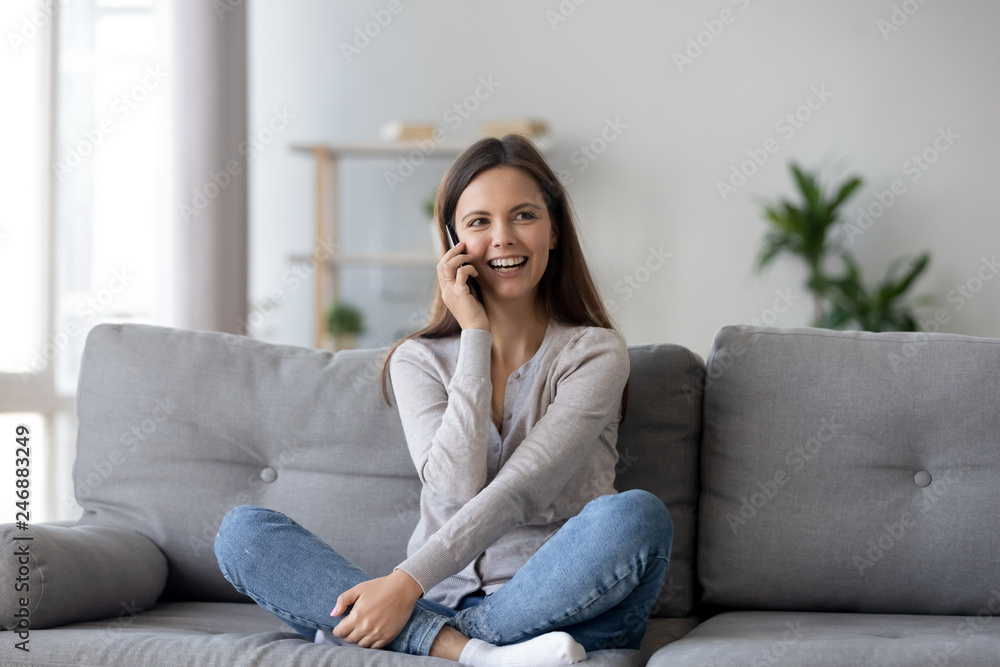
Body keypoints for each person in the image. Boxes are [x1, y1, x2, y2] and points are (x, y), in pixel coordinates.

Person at [213, 133, 673, 665]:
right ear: (453, 242)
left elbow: (523, 490)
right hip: (445, 597)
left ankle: (424, 640)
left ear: (553, 231)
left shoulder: (594, 352)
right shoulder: (418, 360)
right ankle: (477, 653)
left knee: (635, 516)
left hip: (558, 608)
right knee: (243, 534)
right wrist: (475, 336)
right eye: (479, 222)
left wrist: (402, 587)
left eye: (523, 216)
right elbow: (456, 486)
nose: (503, 238)